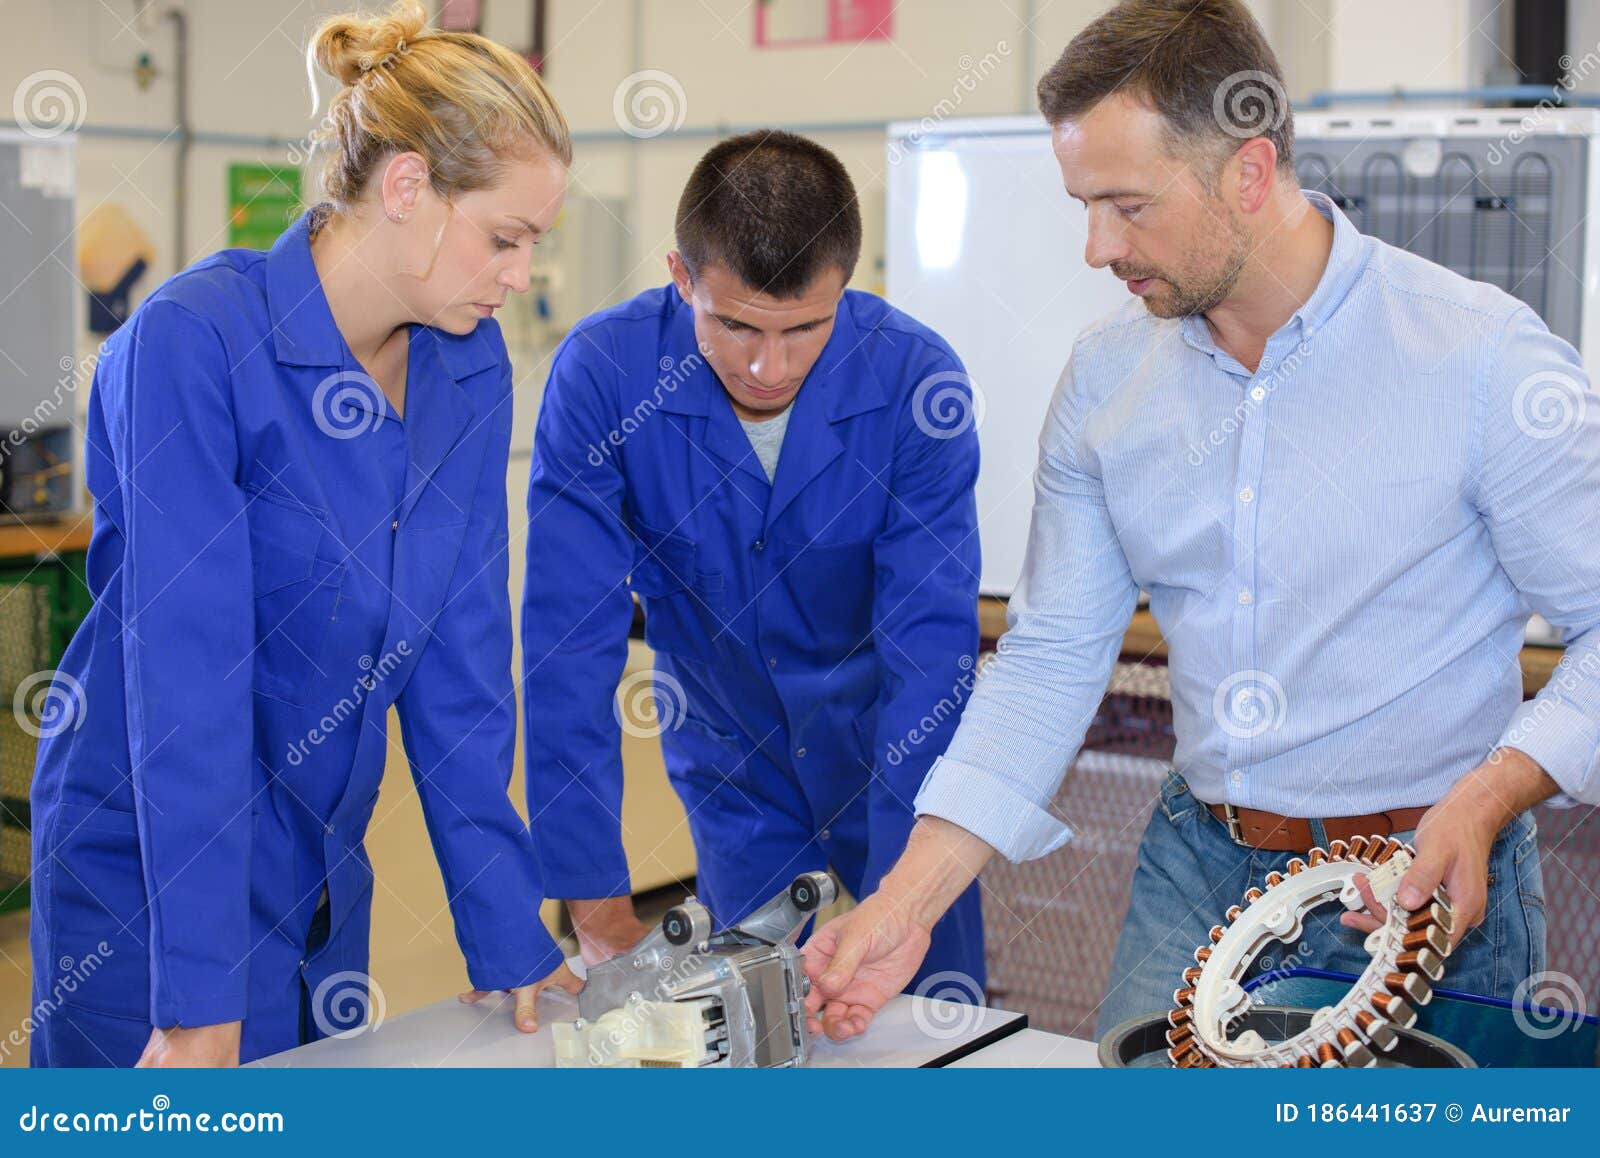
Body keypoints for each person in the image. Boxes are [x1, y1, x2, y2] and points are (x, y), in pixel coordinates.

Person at [804, 0, 1591, 1044]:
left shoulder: (1480, 358)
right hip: (1200, 866)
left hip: (1429, 876)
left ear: (1249, 174)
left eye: (1126, 206)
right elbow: (1047, 660)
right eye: (1083, 204)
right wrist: (905, 902)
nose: (1095, 247)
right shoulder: (1104, 382)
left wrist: (1491, 796)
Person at [29, 0, 578, 1067]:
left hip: (320, 875)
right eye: (504, 238)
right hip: (150, 876)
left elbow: (460, 677)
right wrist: (195, 1002)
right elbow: (186, 683)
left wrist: (508, 933)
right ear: (408, 187)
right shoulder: (191, 345)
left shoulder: (465, 373)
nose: (519, 276)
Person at [521, 131, 986, 994]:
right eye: (732, 325)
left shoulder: (918, 383)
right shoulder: (606, 377)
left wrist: (898, 901)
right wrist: (594, 901)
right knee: (761, 1032)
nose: (767, 366)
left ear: (847, 286)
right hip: (736, 774)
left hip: (898, 766)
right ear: (680, 276)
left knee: (921, 1036)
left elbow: (932, 653)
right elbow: (566, 646)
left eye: (805, 329)